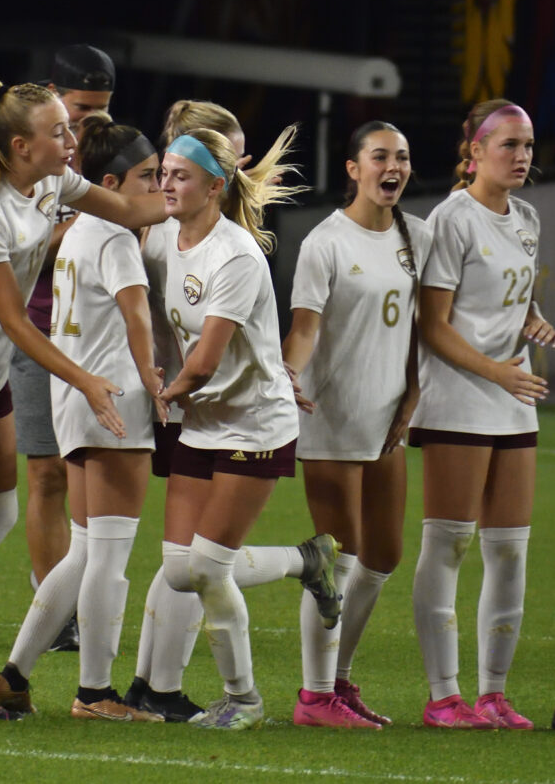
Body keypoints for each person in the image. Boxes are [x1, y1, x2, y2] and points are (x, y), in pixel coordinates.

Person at [0, 79, 166, 719]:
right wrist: (84, 378)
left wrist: (212, 190)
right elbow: (16, 321)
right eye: (59, 132)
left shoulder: (49, 184)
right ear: (20, 145)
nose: (73, 139)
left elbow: (129, 211)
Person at [123, 100, 327, 724]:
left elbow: (206, 361)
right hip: (203, 420)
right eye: (163, 174)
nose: (166, 185)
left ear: (216, 185)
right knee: (181, 570)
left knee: (209, 569)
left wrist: (158, 393)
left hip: (255, 423)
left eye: (180, 176)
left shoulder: (235, 254)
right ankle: (307, 560)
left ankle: (244, 700)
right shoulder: (162, 237)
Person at [0, 114, 165, 720]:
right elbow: (137, 317)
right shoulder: (115, 237)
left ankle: (14, 674)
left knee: (84, 552)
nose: (158, 185)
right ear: (113, 181)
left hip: (76, 401)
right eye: (148, 176)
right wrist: (155, 382)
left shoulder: (80, 230)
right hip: (114, 400)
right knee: (110, 558)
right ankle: (94, 693)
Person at [410, 99, 555, 730]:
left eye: (527, 145)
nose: (522, 156)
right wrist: (498, 370)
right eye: (509, 145)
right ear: (474, 152)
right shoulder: (451, 219)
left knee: (510, 551)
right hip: (460, 399)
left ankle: (493, 694)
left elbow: (509, 303)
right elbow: (433, 327)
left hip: (511, 399)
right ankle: (445, 695)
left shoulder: (525, 217)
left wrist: (531, 321)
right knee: (449, 545)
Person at [281, 121, 431, 728]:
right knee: (333, 561)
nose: (391, 166)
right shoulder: (326, 242)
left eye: (401, 156)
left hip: (387, 420)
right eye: (379, 156)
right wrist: (288, 373)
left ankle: (336, 679)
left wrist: (415, 391)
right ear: (353, 168)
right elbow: (306, 327)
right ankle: (314, 697)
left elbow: (426, 326)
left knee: (384, 556)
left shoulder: (418, 236)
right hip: (333, 416)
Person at [12, 46, 116, 656]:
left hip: (99, 337)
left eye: (101, 110)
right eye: (80, 110)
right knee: (47, 473)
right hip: (40, 329)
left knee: (93, 476)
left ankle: (81, 597)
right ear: (55, 96)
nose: (89, 124)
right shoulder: (27, 158)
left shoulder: (113, 154)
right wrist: (78, 228)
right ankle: (55, 607)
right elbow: (21, 251)